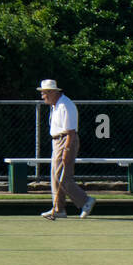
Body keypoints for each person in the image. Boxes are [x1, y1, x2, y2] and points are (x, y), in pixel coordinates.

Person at [36, 79, 95, 220]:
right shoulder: (55, 105)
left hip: (65, 141)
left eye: (44, 93)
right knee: (55, 177)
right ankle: (59, 209)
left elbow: (71, 132)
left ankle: (85, 200)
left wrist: (67, 151)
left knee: (62, 177)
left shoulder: (65, 105)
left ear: (52, 92)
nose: (42, 96)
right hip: (57, 141)